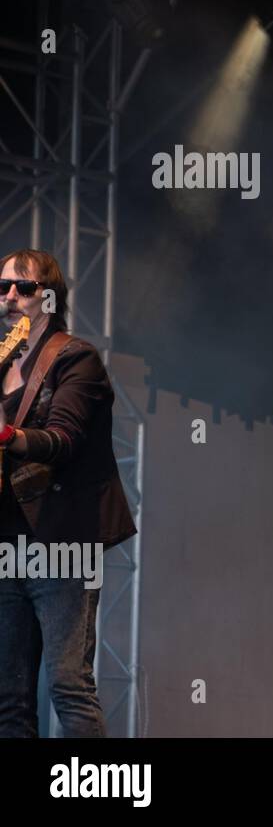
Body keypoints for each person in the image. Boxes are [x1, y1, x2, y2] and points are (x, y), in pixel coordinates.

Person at [0, 249, 135, 737]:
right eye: (2, 287)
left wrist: (7, 435)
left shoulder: (74, 358)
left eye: (23, 287)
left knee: (66, 684)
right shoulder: (1, 364)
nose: (10, 296)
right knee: (9, 696)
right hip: (8, 545)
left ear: (50, 297)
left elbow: (63, 441)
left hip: (63, 544)